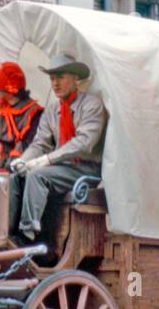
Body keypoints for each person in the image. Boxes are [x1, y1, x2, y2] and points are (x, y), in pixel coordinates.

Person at [9, 54, 108, 245]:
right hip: (61, 168)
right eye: (52, 79)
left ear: (75, 79)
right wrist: (23, 160)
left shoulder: (91, 105)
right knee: (16, 177)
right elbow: (40, 143)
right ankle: (10, 233)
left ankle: (27, 235)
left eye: (60, 77)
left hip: (86, 169)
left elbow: (84, 143)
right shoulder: (52, 111)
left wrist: (46, 160)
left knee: (37, 175)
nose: (55, 84)